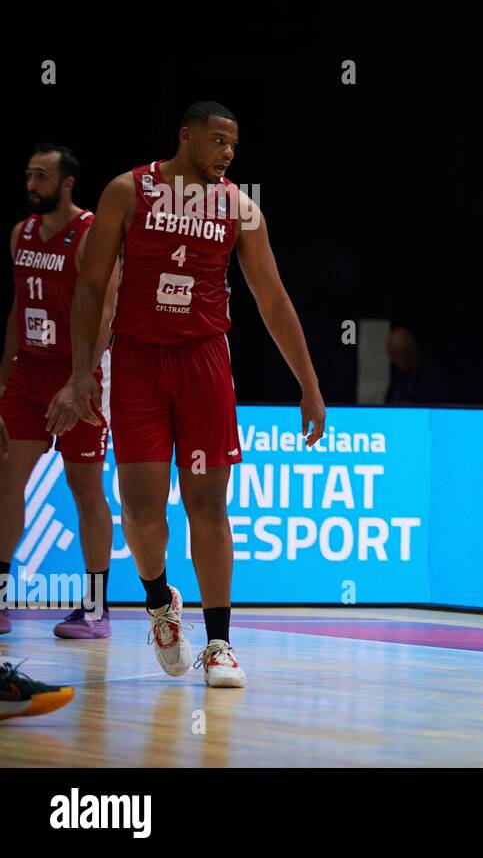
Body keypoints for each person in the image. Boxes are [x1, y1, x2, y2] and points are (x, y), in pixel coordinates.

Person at [50, 101, 326, 688]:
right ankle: (159, 606)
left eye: (234, 145)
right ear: (186, 137)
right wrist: (80, 375)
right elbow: (92, 285)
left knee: (209, 503)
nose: (228, 153)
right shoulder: (127, 190)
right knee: (143, 510)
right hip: (137, 360)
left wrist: (309, 383)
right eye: (219, 141)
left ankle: (220, 643)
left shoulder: (241, 210)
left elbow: (273, 299)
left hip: (204, 361)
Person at [0, 144, 118, 638]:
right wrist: (4, 379)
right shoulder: (20, 233)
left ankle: (95, 609)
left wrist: (80, 380)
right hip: (28, 374)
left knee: (85, 489)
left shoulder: (90, 233)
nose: (31, 184)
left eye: (42, 176)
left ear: (67, 182)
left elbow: (108, 311)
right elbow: (15, 309)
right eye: (28, 174)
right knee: (7, 478)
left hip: (78, 376)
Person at [385, 325, 443, 404]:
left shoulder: (431, 377)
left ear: (410, 351)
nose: (393, 361)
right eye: (392, 355)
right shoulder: (398, 376)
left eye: (397, 355)